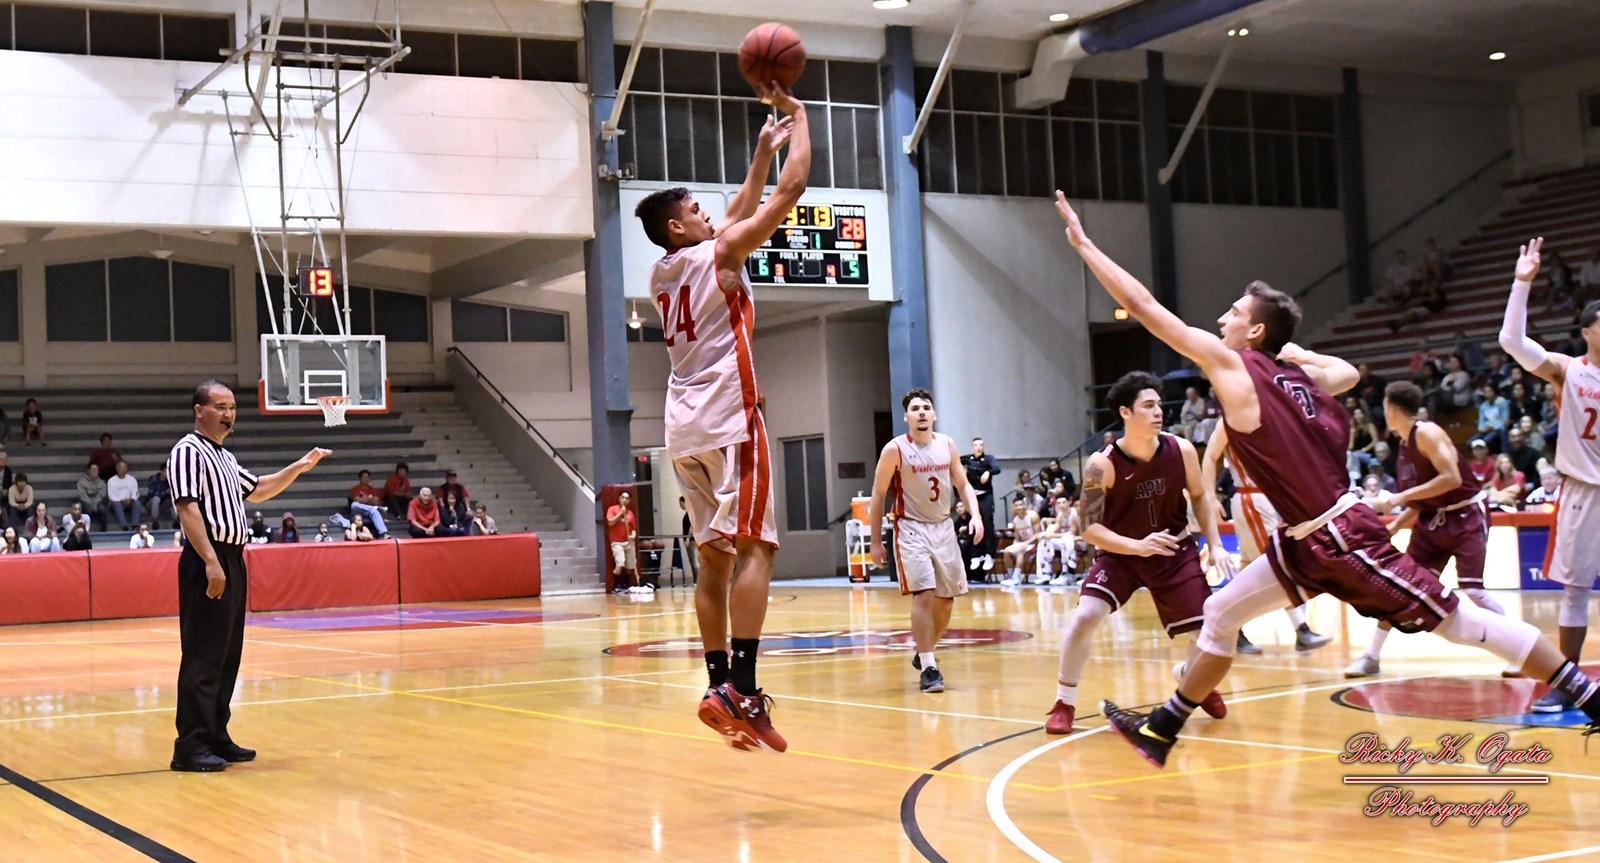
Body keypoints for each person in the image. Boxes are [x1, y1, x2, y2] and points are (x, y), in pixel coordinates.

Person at [1053, 195, 1600, 768]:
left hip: (1341, 537)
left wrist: (1086, 246)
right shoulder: (1302, 379)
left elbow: (1141, 304)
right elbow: (1347, 372)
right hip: (1304, 539)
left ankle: (1584, 692)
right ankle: (1162, 730)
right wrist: (1294, 350)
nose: (1221, 320)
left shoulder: (1238, 371)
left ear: (1255, 329)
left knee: (1459, 622)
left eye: (1234, 313)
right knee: (1220, 614)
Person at [634, 83, 807, 755]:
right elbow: (788, 194)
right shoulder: (720, 256)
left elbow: (731, 216)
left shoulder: (661, 272)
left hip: (683, 430)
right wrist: (798, 120)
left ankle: (716, 687)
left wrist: (757, 154)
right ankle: (744, 683)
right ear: (679, 226)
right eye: (696, 211)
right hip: (733, 419)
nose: (710, 215)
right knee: (759, 548)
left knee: (712, 560)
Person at [1045, 372, 1233, 734]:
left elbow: (1200, 496)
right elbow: (1089, 527)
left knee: (1209, 632)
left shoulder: (1181, 449)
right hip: (1121, 554)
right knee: (1086, 616)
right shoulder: (1102, 464)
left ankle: (1191, 679)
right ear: (1126, 413)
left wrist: (1215, 543)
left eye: (1159, 404)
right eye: (1148, 406)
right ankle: (1063, 701)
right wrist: (1136, 546)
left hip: (1172, 549)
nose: (1158, 411)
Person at [167, 378, 329, 772]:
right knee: (204, 655)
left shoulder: (223, 456)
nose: (229, 414)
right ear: (199, 411)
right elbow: (188, 509)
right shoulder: (187, 451)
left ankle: (216, 736)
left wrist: (300, 467)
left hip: (233, 558)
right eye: (220, 407)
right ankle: (190, 746)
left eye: (233, 408)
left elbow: (258, 489)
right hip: (210, 558)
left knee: (227, 656)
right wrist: (210, 560)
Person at [1499, 239, 1600, 713]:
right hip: (1585, 490)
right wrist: (1522, 283)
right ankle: (1569, 682)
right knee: (1577, 589)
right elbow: (1512, 343)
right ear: (1587, 331)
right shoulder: (1568, 371)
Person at [1348, 381, 1508, 679]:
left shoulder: (1427, 433)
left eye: (1384, 406)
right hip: (1432, 519)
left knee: (1473, 590)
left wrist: (1401, 498)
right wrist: (1397, 523)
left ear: (1391, 408)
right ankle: (1371, 656)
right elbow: (1424, 494)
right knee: (1400, 586)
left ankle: (1517, 648)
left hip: (1466, 515)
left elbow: (1452, 479)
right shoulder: (1405, 444)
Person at [867, 388, 983, 694]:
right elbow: (878, 496)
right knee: (925, 593)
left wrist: (976, 516)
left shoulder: (947, 445)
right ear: (906, 417)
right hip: (910, 528)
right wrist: (875, 542)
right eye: (915, 408)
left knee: (947, 600)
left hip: (943, 527)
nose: (921, 412)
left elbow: (962, 483)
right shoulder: (895, 450)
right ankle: (930, 668)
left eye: (926, 407)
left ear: (934, 414)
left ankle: (924, 650)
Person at [1201, 424, 1332, 654]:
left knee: (1250, 567)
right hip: (1253, 500)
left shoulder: (1264, 414)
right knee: (1277, 563)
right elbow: (1210, 455)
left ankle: (1229, 627)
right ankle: (1301, 629)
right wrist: (1210, 496)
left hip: (1269, 500)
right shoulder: (1229, 421)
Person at [962, 438, 1001, 572]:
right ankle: (976, 555)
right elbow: (954, 461)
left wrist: (988, 472)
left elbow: (997, 469)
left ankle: (989, 554)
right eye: (976, 445)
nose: (978, 447)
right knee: (973, 524)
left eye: (981, 445)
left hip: (986, 496)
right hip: (973, 497)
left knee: (987, 523)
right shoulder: (969, 459)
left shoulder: (989, 459)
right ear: (972, 446)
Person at [998, 498, 1041, 587]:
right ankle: (1011, 576)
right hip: (1024, 544)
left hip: (1035, 544)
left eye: (1020, 505)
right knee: (1007, 551)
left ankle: (1016, 578)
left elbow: (1038, 534)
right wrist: (1014, 545)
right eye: (1016, 505)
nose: (1019, 507)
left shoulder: (1033, 516)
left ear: (1025, 505)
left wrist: (1026, 543)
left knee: (1020, 550)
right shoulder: (1015, 520)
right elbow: (1017, 538)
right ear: (1014, 508)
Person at [606, 491, 639, 593]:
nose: (625, 500)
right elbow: (610, 522)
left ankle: (626, 585)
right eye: (623, 497)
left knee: (630, 566)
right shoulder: (612, 509)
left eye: (627, 498)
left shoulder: (630, 513)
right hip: (617, 541)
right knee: (620, 564)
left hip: (628, 542)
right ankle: (616, 586)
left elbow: (633, 528)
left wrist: (633, 535)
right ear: (619, 498)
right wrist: (620, 513)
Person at [347, 470, 391, 538]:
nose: (365, 479)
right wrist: (370, 499)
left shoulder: (373, 490)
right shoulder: (356, 489)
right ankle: (375, 508)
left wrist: (365, 499)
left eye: (367, 477)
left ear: (370, 479)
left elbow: (376, 501)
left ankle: (384, 533)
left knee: (374, 511)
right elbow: (357, 499)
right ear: (360, 478)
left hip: (370, 514)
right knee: (354, 504)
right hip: (359, 512)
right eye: (363, 477)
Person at [107, 461, 139, 531]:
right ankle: (124, 526)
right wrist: (122, 500)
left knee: (137, 503)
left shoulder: (132, 479)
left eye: (125, 467)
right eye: (121, 468)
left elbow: (135, 492)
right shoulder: (111, 480)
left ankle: (134, 525)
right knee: (117, 504)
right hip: (117, 503)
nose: (123, 469)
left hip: (129, 502)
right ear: (117, 469)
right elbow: (111, 496)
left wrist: (131, 499)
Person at [76, 463, 109, 531]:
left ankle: (103, 530)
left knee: (103, 509)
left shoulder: (101, 483)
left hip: (98, 502)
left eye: (96, 469)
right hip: (86, 501)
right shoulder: (81, 482)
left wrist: (95, 503)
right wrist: (91, 504)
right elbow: (82, 495)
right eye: (93, 469)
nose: (95, 471)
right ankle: (85, 530)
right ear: (88, 471)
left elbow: (102, 494)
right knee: (89, 509)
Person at [144, 465, 174, 530]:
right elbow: (153, 493)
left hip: (164, 504)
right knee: (156, 499)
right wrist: (164, 492)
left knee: (175, 500)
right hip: (151, 503)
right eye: (166, 471)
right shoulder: (153, 479)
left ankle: (176, 521)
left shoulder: (171, 481)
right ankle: (155, 521)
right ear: (161, 471)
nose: (168, 474)